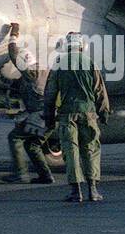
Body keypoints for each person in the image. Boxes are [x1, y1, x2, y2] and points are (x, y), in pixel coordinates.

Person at [43, 32, 110, 204]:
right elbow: (100, 91)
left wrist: (49, 118)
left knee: (71, 151)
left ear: (67, 45)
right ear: (83, 46)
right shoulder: (90, 63)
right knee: (91, 150)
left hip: (67, 115)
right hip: (88, 114)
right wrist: (104, 113)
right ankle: (93, 190)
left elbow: (50, 93)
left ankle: (76, 191)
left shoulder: (59, 64)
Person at [4, 23, 54, 185]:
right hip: (50, 117)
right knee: (33, 145)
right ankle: (46, 176)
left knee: (15, 137)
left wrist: (14, 34)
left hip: (40, 117)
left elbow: (13, 53)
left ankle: (20, 174)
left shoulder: (31, 73)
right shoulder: (45, 71)